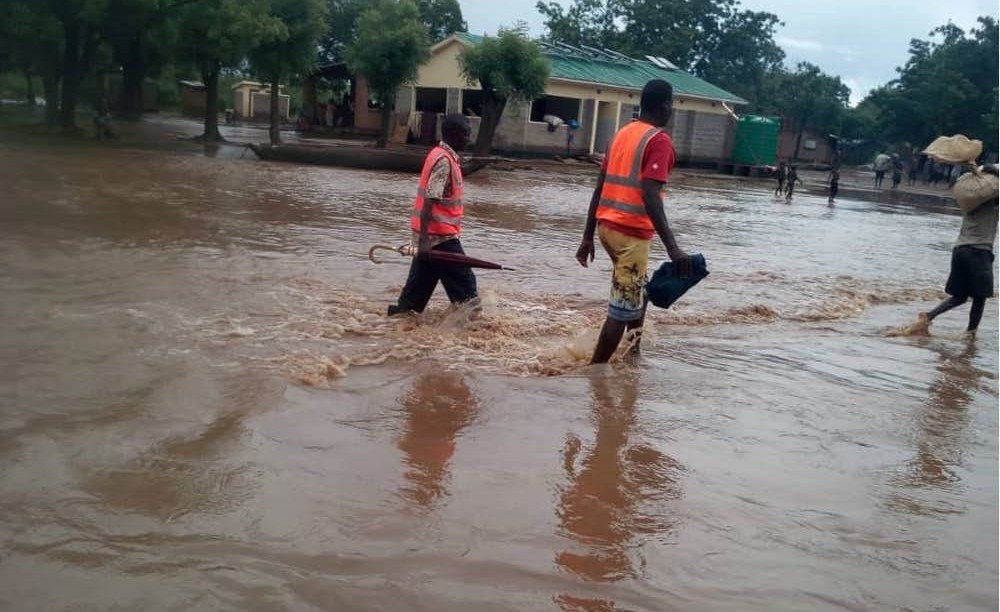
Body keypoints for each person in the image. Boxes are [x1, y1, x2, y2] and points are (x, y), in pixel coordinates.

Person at [575, 79, 690, 364]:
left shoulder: (620, 135)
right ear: (665, 105)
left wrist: (587, 237)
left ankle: (632, 354)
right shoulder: (658, 141)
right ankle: (594, 371)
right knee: (622, 306)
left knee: (638, 290)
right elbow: (651, 196)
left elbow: (599, 188)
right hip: (630, 236)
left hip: (606, 229)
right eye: (671, 104)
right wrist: (674, 248)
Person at [388, 114, 478, 316]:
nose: (469, 139)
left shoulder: (437, 153)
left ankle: (398, 321)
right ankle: (476, 331)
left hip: (427, 236)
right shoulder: (444, 161)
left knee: (413, 299)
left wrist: (423, 241)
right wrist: (427, 242)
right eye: (466, 134)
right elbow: (430, 200)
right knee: (467, 291)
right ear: (453, 135)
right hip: (440, 238)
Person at [915, 165, 998, 336]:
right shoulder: (990, 201)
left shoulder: (970, 203)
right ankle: (971, 333)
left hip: (960, 250)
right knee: (980, 297)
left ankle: (929, 316)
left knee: (960, 296)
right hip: (978, 251)